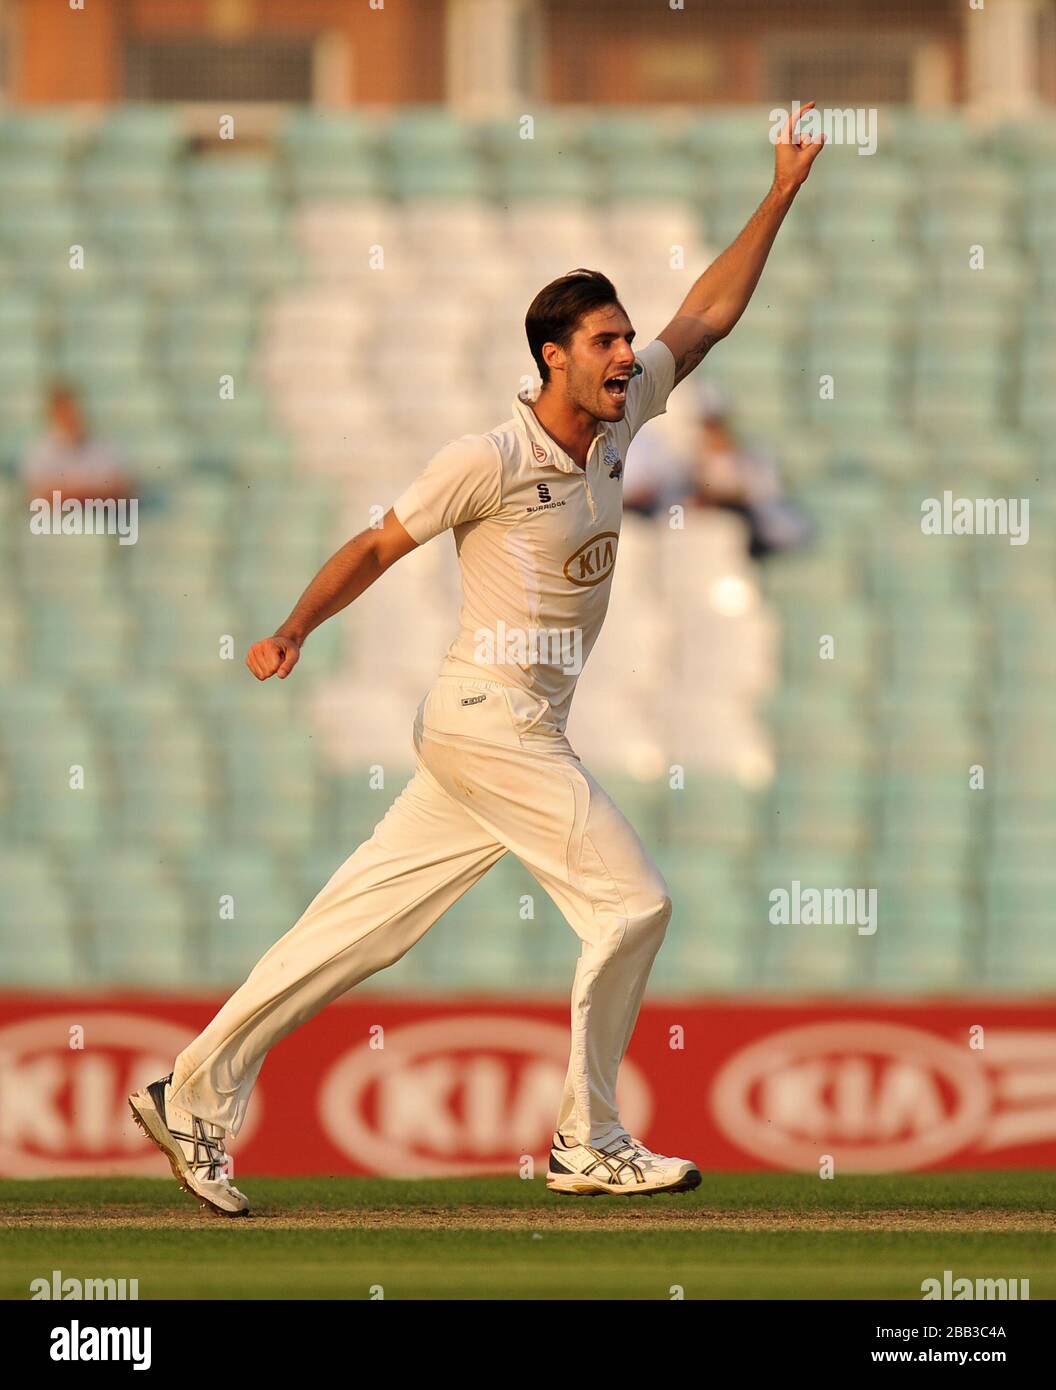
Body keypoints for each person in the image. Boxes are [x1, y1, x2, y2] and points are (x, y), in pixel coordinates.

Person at [129, 104, 825, 1213]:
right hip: (484, 712)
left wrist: (782, 194)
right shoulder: (487, 458)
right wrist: (295, 628)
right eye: (605, 341)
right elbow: (374, 543)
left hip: (505, 734)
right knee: (634, 903)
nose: (625, 356)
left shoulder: (626, 412)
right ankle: (587, 1139)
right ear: (552, 355)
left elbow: (705, 320)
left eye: (622, 340)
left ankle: (192, 1092)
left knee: (351, 932)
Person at [22, 383, 130, 504]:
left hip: (101, 519)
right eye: (64, 411)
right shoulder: (40, 452)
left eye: (74, 409)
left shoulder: (102, 446)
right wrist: (90, 493)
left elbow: (118, 489)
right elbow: (42, 495)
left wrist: (74, 493)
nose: (71, 416)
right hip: (56, 521)